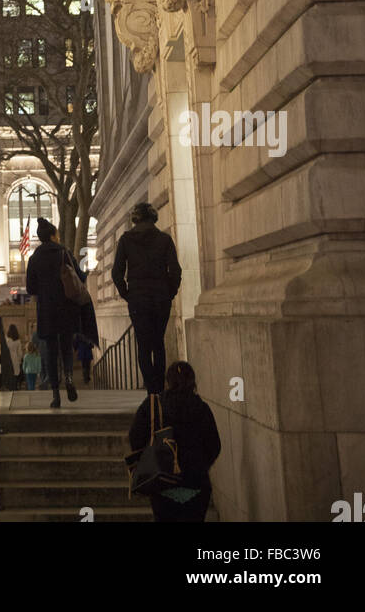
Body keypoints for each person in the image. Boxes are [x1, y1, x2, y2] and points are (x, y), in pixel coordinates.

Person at [128, 360, 220, 522]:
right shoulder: (201, 408)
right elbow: (214, 445)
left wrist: (151, 456)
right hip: (196, 484)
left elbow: (135, 437)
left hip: (162, 483)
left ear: (168, 381)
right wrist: (198, 466)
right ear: (193, 381)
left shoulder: (152, 405)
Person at [111, 201, 182, 394]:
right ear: (153, 217)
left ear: (135, 218)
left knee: (143, 346)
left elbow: (117, 273)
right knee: (158, 343)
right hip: (161, 298)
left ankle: (151, 390)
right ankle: (159, 388)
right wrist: (170, 292)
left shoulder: (126, 240)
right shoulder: (164, 239)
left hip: (137, 298)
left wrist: (127, 294)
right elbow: (175, 271)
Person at [25, 218, 94, 408]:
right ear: (53, 236)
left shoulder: (34, 258)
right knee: (66, 347)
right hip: (66, 309)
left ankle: (55, 394)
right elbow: (80, 277)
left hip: (46, 311)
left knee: (51, 351)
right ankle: (70, 378)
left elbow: (30, 288)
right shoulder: (64, 253)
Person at [5, 324, 23, 389]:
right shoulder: (18, 340)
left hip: (7, 359)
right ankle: (14, 387)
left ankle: (9, 387)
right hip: (15, 359)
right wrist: (19, 360)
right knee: (15, 375)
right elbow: (20, 352)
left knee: (8, 375)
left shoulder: (6, 339)